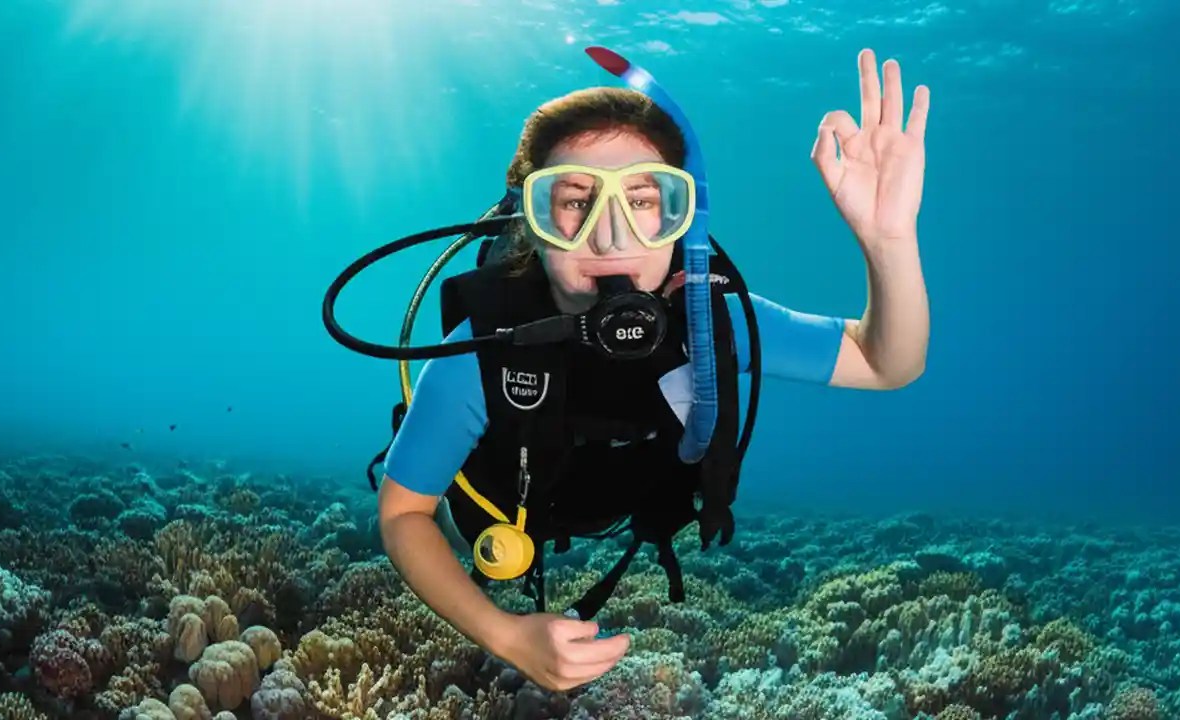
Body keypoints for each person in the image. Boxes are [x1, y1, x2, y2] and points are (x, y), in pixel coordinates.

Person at [372, 47, 931, 692]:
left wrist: (889, 240)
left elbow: (889, 363)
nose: (609, 238)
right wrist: (503, 632)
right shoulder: (484, 352)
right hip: (507, 512)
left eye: (643, 200)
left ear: (683, 219)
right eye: (573, 201)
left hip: (633, 505)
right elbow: (402, 514)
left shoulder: (712, 323)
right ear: (531, 221)